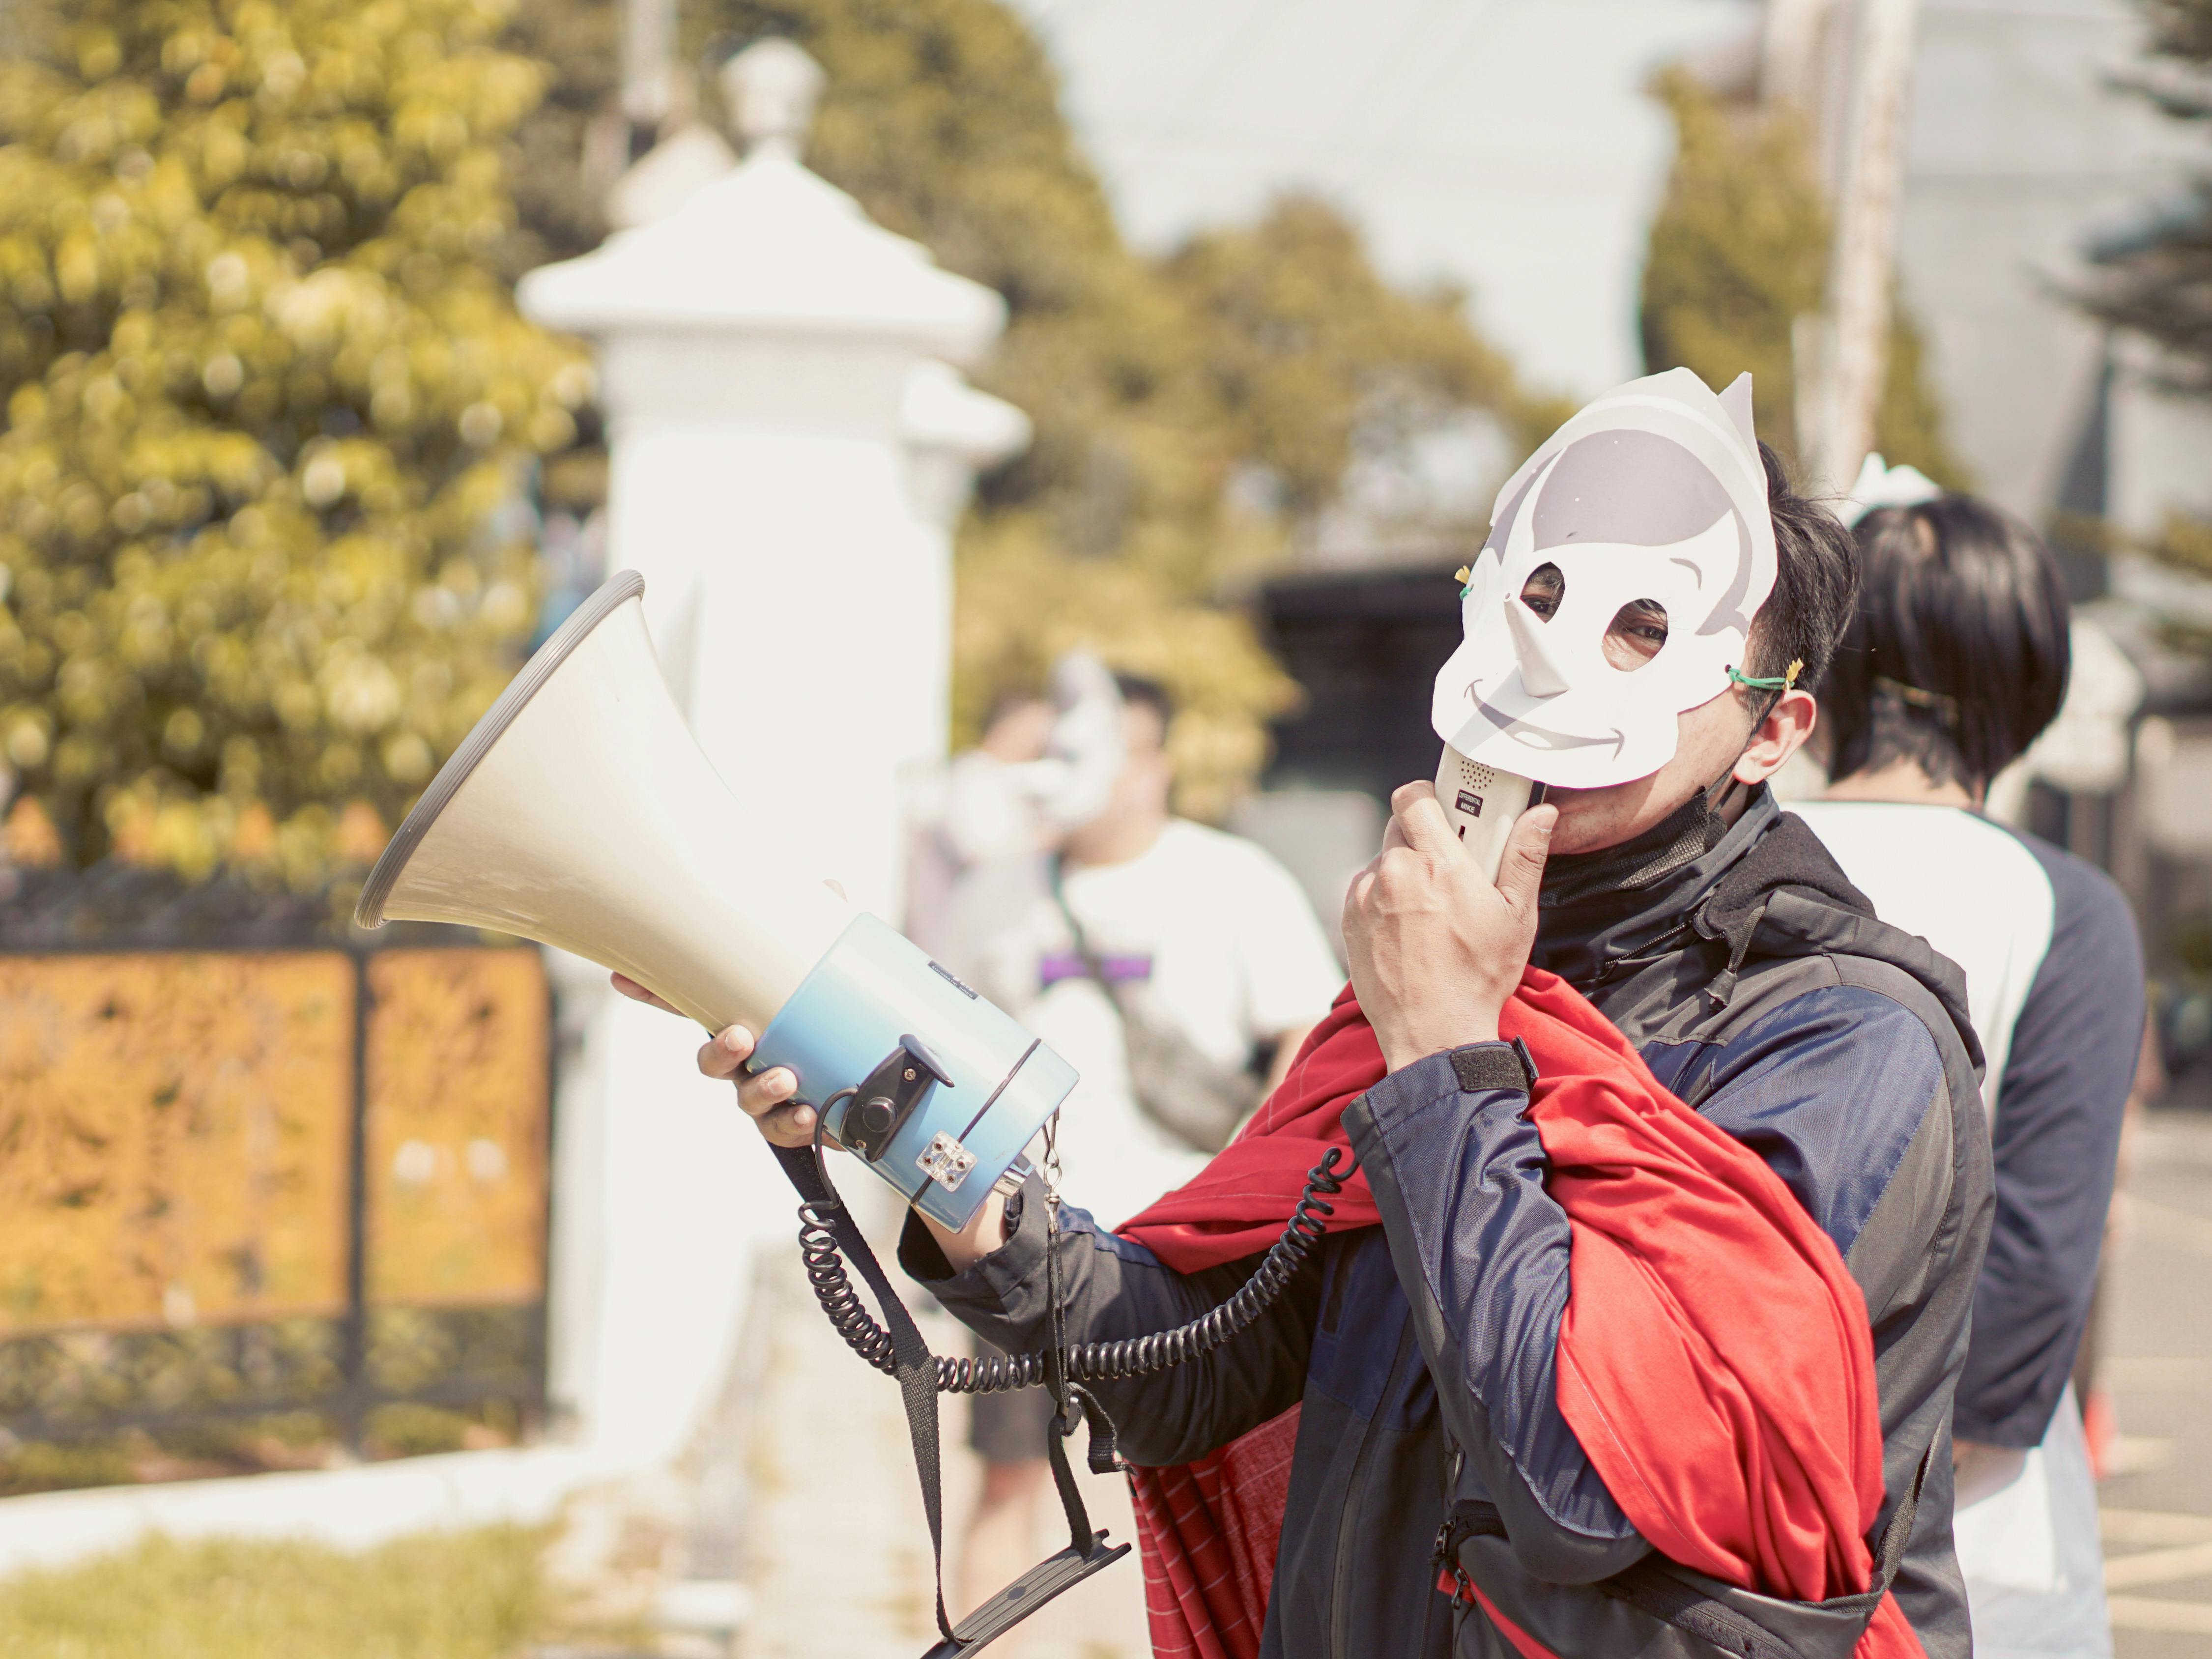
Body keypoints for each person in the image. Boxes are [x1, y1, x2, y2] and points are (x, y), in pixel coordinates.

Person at [662, 370, 1994, 1657]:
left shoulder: (1840, 1043)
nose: (1573, 658)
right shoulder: (1434, 992)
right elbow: (1184, 1370)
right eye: (1541, 595)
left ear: (1772, 732)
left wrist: (1448, 1057)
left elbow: (1590, 1485)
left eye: (1645, 631)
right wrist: (923, 1135)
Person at [1794, 466, 2143, 1659]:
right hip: (1977, 1553)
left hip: (1695, 1516)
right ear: (2026, 682)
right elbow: (2036, 1277)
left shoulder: (1721, 864)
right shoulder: (2063, 909)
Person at [939, 670, 1343, 1616]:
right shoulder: (993, 894)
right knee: (1009, 1477)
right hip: (1029, 1250)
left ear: (1151, 764)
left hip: (1181, 1253)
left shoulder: (1232, 879)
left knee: (1214, 1488)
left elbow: (1304, 1031)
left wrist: (1249, 1181)